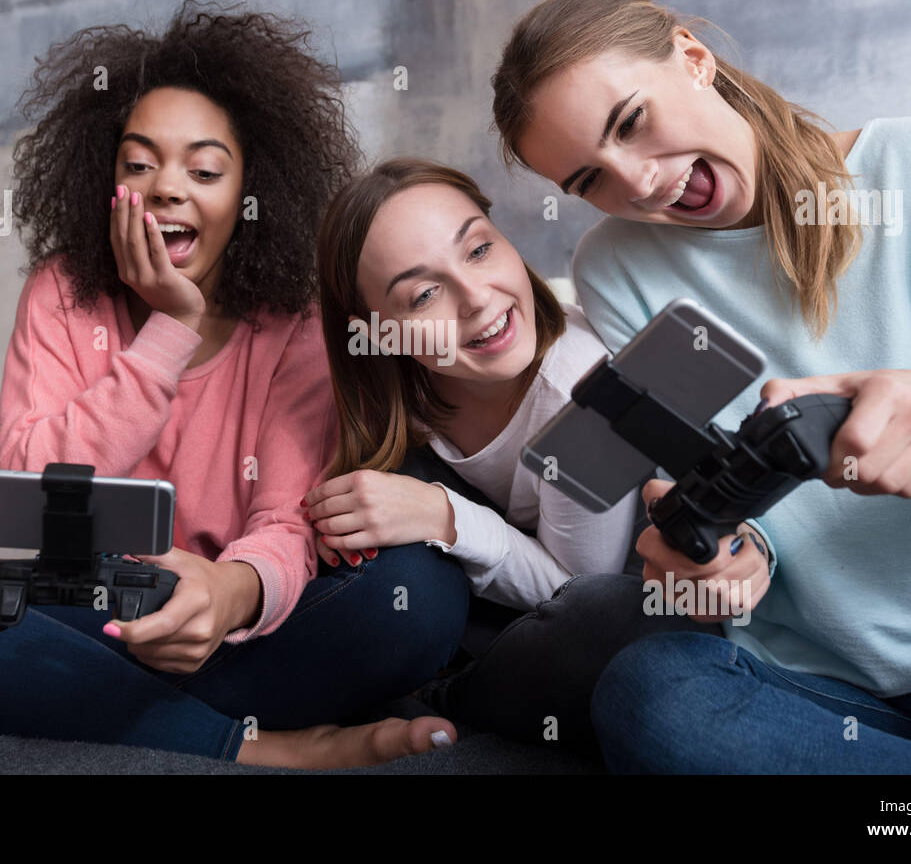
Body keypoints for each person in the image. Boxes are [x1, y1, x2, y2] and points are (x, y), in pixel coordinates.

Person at [0, 0, 471, 770]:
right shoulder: (62, 292)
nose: (167, 188)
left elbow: (286, 524)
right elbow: (33, 484)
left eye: (204, 169)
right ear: (104, 178)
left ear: (252, 191)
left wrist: (229, 591)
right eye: (138, 164)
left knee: (420, 595)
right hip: (92, 616)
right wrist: (170, 330)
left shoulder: (298, 320)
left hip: (234, 624)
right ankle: (251, 746)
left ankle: (77, 707)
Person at [490, 0, 911, 772]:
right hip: (824, 691)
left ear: (693, 59)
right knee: (653, 694)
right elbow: (726, 502)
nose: (637, 184)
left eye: (631, 123)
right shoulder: (615, 268)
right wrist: (729, 558)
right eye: (589, 181)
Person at [307, 156, 776, 755]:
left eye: (478, 250)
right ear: (373, 332)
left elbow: (575, 590)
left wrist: (441, 515)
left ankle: (451, 696)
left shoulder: (579, 387)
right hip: (510, 597)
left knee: (611, 621)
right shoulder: (411, 394)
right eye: (424, 294)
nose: (476, 298)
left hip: (612, 605)